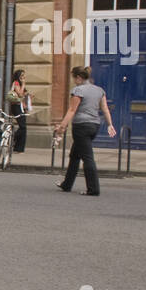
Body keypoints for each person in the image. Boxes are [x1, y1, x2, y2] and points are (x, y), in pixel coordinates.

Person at [53, 65, 115, 196]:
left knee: (87, 158)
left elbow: (72, 110)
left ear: (79, 77)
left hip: (81, 126)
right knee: (75, 155)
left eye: (74, 78)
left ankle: (93, 189)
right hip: (95, 126)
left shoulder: (78, 90)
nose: (74, 81)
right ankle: (67, 184)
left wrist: (62, 128)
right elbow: (105, 109)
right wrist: (110, 124)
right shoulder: (99, 90)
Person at [6, 69, 29, 153]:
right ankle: (11, 139)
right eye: (22, 76)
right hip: (16, 107)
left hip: (20, 106)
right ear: (18, 76)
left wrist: (25, 105)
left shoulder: (19, 83)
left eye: (24, 75)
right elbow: (19, 94)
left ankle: (19, 148)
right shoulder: (16, 83)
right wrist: (23, 84)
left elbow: (22, 96)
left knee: (24, 127)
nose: (24, 77)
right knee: (23, 127)